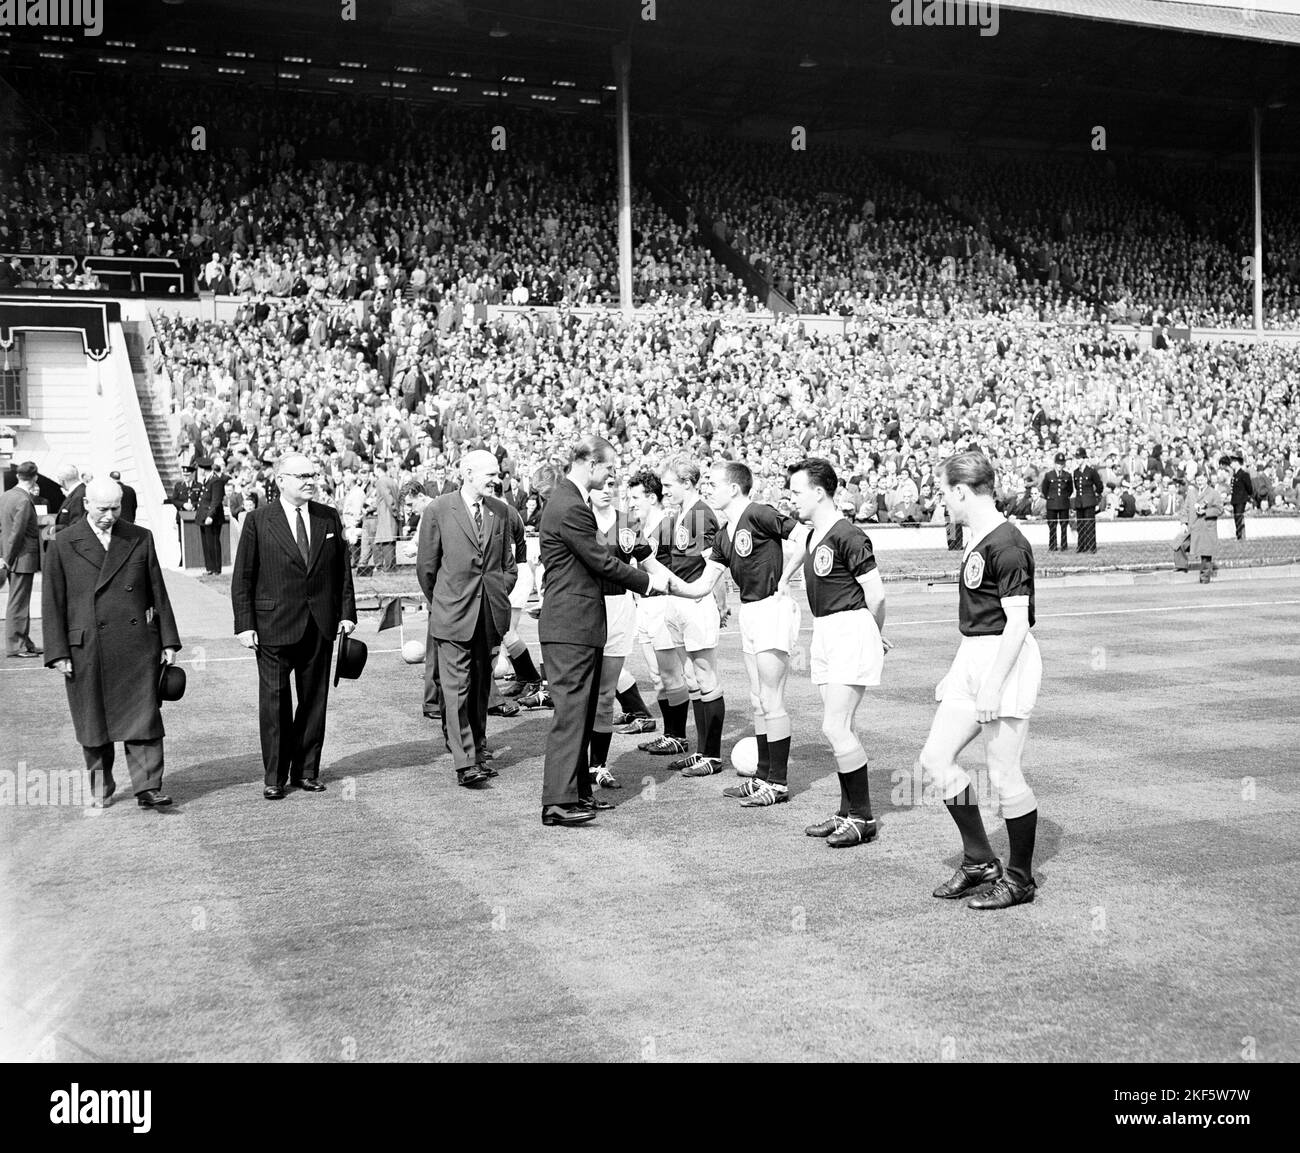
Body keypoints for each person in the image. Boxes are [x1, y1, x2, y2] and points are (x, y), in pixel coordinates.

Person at [918, 452, 1042, 910]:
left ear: (961, 491)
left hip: (1004, 660)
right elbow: (978, 617)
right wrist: (959, 671)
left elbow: (1017, 623)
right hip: (975, 655)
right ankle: (979, 861)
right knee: (935, 759)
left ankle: (1020, 880)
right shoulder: (979, 539)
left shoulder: (1007, 543)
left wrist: (992, 684)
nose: (943, 502)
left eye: (945, 493)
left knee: (1004, 773)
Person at [538, 436, 669, 827]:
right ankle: (557, 802)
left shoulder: (570, 501)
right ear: (590, 463)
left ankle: (578, 792)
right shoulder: (571, 506)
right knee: (571, 714)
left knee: (581, 711)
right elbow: (602, 562)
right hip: (571, 625)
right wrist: (649, 583)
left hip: (580, 623)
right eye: (609, 467)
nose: (613, 474)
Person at [41, 478, 182, 808]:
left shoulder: (139, 537)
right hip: (86, 648)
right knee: (93, 723)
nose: (109, 516)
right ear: (86, 504)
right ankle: (100, 787)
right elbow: (52, 602)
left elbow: (157, 591)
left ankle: (148, 787)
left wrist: (169, 641)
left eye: (115, 508)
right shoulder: (62, 542)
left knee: (144, 718)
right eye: (102, 509)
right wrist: (57, 652)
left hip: (136, 645)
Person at [671, 460, 804, 807]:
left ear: (733, 488)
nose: (707, 489)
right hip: (749, 612)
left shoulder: (759, 513)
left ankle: (778, 784)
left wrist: (786, 577)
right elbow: (703, 586)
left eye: (712, 483)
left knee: (771, 698)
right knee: (758, 698)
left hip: (772, 607)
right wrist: (665, 583)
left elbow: (804, 536)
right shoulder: (723, 535)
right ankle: (763, 775)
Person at [231, 453, 357, 799]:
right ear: (280, 480)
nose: (309, 481)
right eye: (301, 476)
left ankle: (306, 771)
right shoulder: (258, 520)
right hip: (272, 625)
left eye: (312, 475)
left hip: (319, 624)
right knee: (275, 703)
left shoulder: (327, 517)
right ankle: (274, 776)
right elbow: (243, 576)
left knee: (314, 701)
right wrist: (244, 624)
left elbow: (342, 570)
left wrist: (347, 613)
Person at [788, 458, 890, 848]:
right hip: (826, 630)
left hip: (850, 627)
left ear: (819, 492)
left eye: (797, 492)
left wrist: (872, 633)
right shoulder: (813, 536)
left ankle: (863, 818)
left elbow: (876, 595)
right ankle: (847, 812)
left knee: (835, 726)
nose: (792, 499)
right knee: (841, 728)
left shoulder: (849, 534)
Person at [416, 449, 517, 789]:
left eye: (497, 473)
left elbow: (508, 565)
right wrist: (446, 602)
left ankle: (479, 751)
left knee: (480, 689)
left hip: (489, 615)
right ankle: (465, 762)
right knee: (457, 690)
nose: (495, 479)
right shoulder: (438, 509)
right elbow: (426, 568)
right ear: (467, 473)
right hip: (452, 615)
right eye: (489, 473)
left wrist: (498, 591)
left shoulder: (500, 511)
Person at [643, 459, 726, 771]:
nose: (664, 491)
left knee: (705, 676)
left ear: (687, 483)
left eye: (669, 485)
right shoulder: (678, 515)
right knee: (691, 678)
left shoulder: (700, 514)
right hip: (677, 602)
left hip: (696, 602)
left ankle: (712, 756)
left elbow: (715, 565)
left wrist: (721, 603)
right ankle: (702, 751)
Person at [0, 460, 43, 658]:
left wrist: (3, 556)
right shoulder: (24, 500)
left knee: (19, 601)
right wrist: (7, 559)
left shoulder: (6, 496)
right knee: (19, 602)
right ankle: (16, 646)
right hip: (22, 557)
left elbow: (4, 529)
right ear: (35, 478)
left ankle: (24, 642)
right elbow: (17, 533)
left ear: (18, 476)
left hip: (12, 555)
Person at [1183, 471, 1224, 583]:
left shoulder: (1213, 493)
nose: (1199, 482)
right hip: (1193, 527)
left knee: (1206, 554)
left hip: (1206, 527)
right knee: (1179, 545)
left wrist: (1206, 512)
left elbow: (1219, 509)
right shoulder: (1191, 493)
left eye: (1201, 480)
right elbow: (1186, 508)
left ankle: (1204, 578)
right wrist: (1184, 522)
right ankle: (1181, 569)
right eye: (1197, 480)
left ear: (1206, 479)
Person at [194, 458, 228, 575]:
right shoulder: (208, 480)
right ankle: (210, 568)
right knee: (206, 544)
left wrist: (210, 516)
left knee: (213, 543)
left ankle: (216, 569)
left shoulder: (216, 481)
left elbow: (216, 500)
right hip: (204, 516)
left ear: (203, 470)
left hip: (212, 518)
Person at [1072, 447, 1103, 553]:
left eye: (1079, 458)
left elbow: (1099, 485)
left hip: (1089, 501)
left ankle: (1091, 546)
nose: (1078, 460)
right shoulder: (1076, 472)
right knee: (1080, 525)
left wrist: (1095, 495)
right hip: (1079, 502)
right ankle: (1081, 546)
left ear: (1084, 459)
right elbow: (1077, 487)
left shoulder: (1091, 471)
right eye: (1077, 458)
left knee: (1089, 525)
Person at [1040, 451, 1073, 551]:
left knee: (1064, 525)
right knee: (1052, 526)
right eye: (1058, 463)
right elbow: (1044, 489)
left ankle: (1064, 545)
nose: (1060, 466)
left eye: (1062, 464)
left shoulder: (1067, 475)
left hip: (1063, 503)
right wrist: (1050, 497)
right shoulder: (1049, 475)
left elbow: (1070, 490)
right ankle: (1052, 545)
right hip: (1052, 503)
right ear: (1055, 464)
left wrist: (1064, 497)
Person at [371, 460, 399, 571]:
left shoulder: (381, 481)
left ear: (378, 470)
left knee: (387, 542)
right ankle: (390, 567)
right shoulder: (392, 481)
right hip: (391, 515)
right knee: (389, 542)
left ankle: (389, 568)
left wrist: (394, 511)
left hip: (386, 515)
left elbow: (389, 499)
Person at [1226, 454, 1253, 541]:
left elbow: (1249, 488)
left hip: (1241, 499)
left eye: (1232, 462)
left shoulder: (1244, 474)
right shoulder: (1235, 475)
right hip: (1235, 500)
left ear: (1237, 463)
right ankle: (1239, 535)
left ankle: (1240, 536)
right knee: (1236, 517)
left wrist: (1247, 498)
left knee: (1239, 517)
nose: (1231, 464)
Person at [53, 465, 87, 533]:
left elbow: (76, 525)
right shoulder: (79, 491)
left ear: (62, 480)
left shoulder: (78, 496)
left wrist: (52, 529)